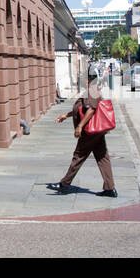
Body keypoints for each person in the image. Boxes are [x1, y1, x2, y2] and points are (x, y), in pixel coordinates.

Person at [48, 66, 116, 198]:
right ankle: (109, 188)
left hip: (90, 131)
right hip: (97, 132)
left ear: (89, 79)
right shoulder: (92, 90)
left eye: (84, 77)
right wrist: (66, 115)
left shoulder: (92, 90)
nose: (83, 79)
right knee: (103, 158)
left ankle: (65, 183)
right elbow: (82, 109)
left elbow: (91, 110)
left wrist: (79, 126)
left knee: (79, 155)